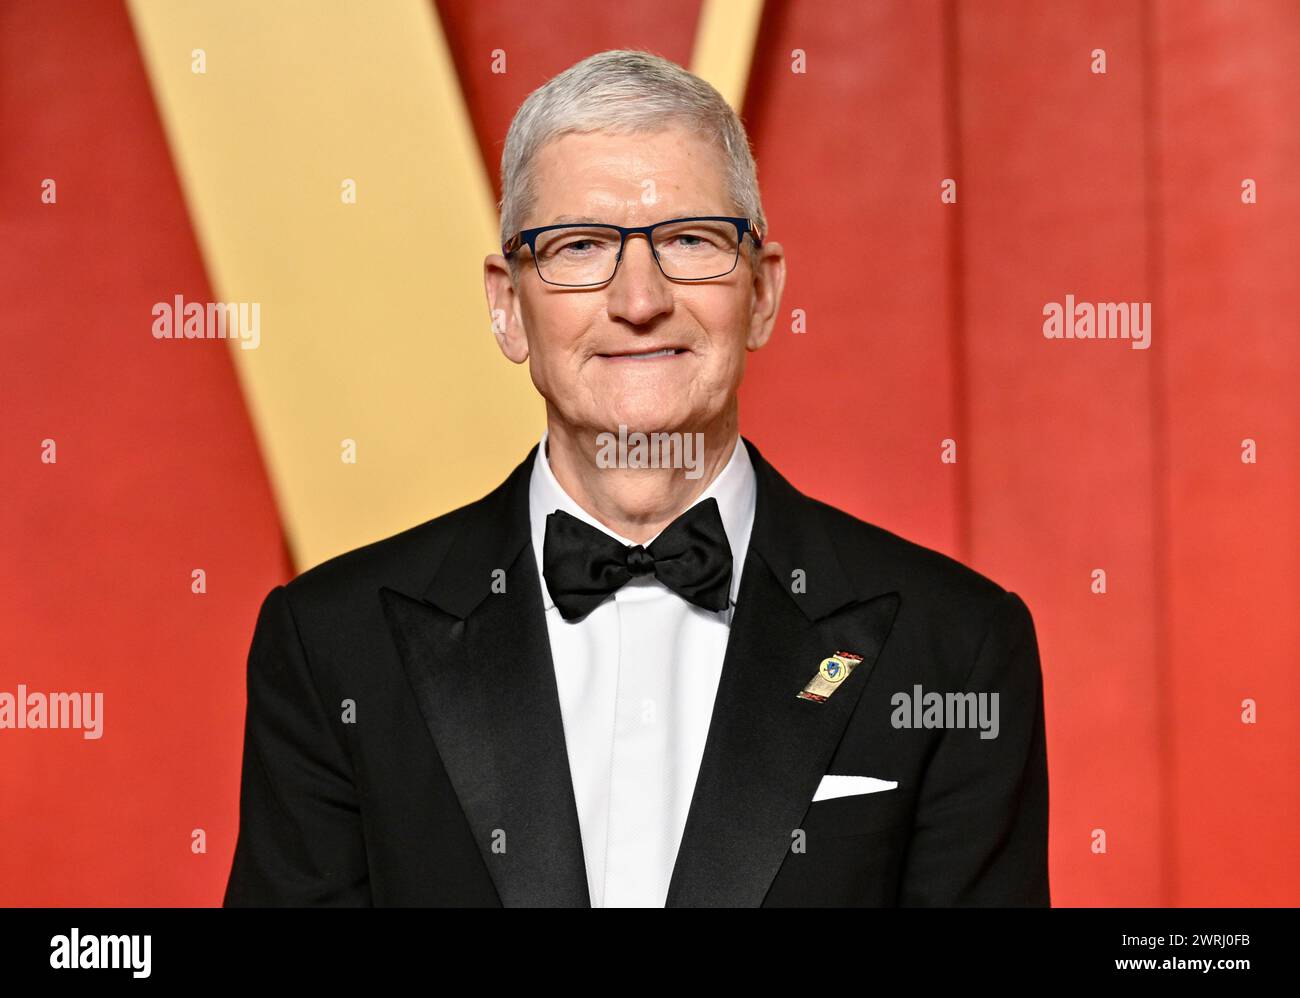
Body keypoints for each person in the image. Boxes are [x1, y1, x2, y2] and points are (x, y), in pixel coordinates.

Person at [223, 49, 1049, 907]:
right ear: (508, 306)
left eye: (689, 240)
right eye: (580, 247)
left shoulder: (957, 650)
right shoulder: (330, 649)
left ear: (763, 293)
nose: (639, 298)